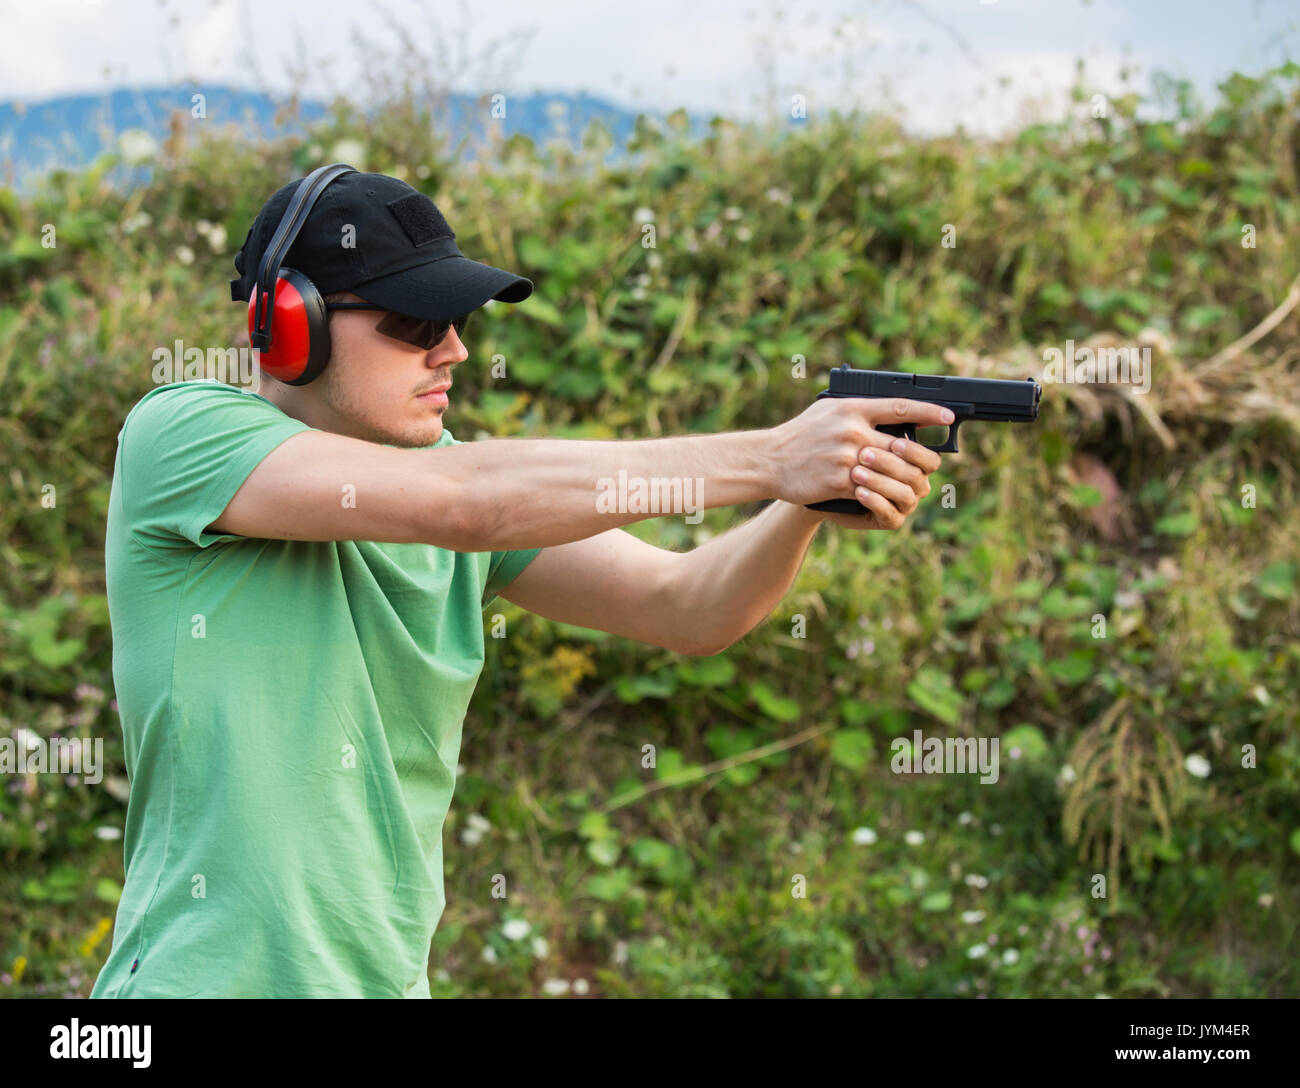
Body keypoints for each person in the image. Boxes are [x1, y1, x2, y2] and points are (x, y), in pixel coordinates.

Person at [91, 169, 949, 998]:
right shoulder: (183, 436)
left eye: (456, 321)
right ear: (289, 322)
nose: (454, 350)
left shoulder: (456, 486)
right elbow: (470, 506)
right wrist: (768, 456)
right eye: (417, 323)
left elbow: (689, 608)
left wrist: (805, 498)